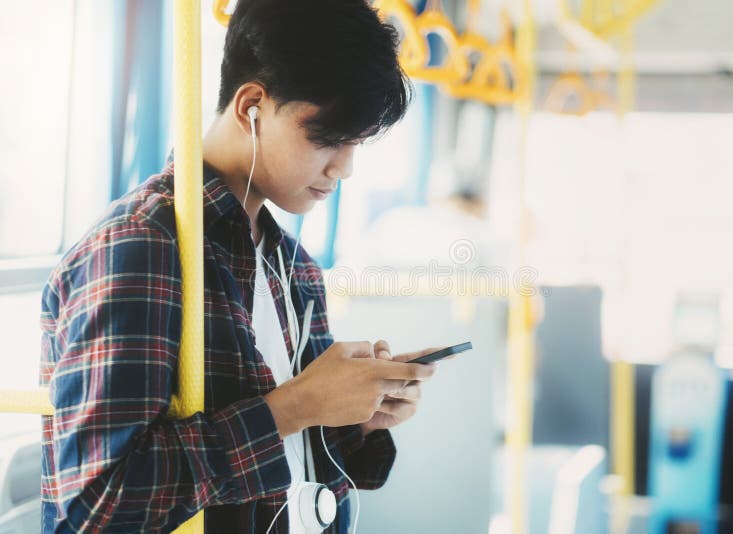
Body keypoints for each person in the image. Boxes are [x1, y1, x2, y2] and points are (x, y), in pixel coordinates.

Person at [39, 0, 438, 531]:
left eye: (355, 143)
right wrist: (295, 406)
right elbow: (99, 505)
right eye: (327, 138)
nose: (344, 167)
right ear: (252, 105)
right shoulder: (142, 245)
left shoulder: (293, 266)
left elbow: (296, 463)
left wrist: (358, 414)